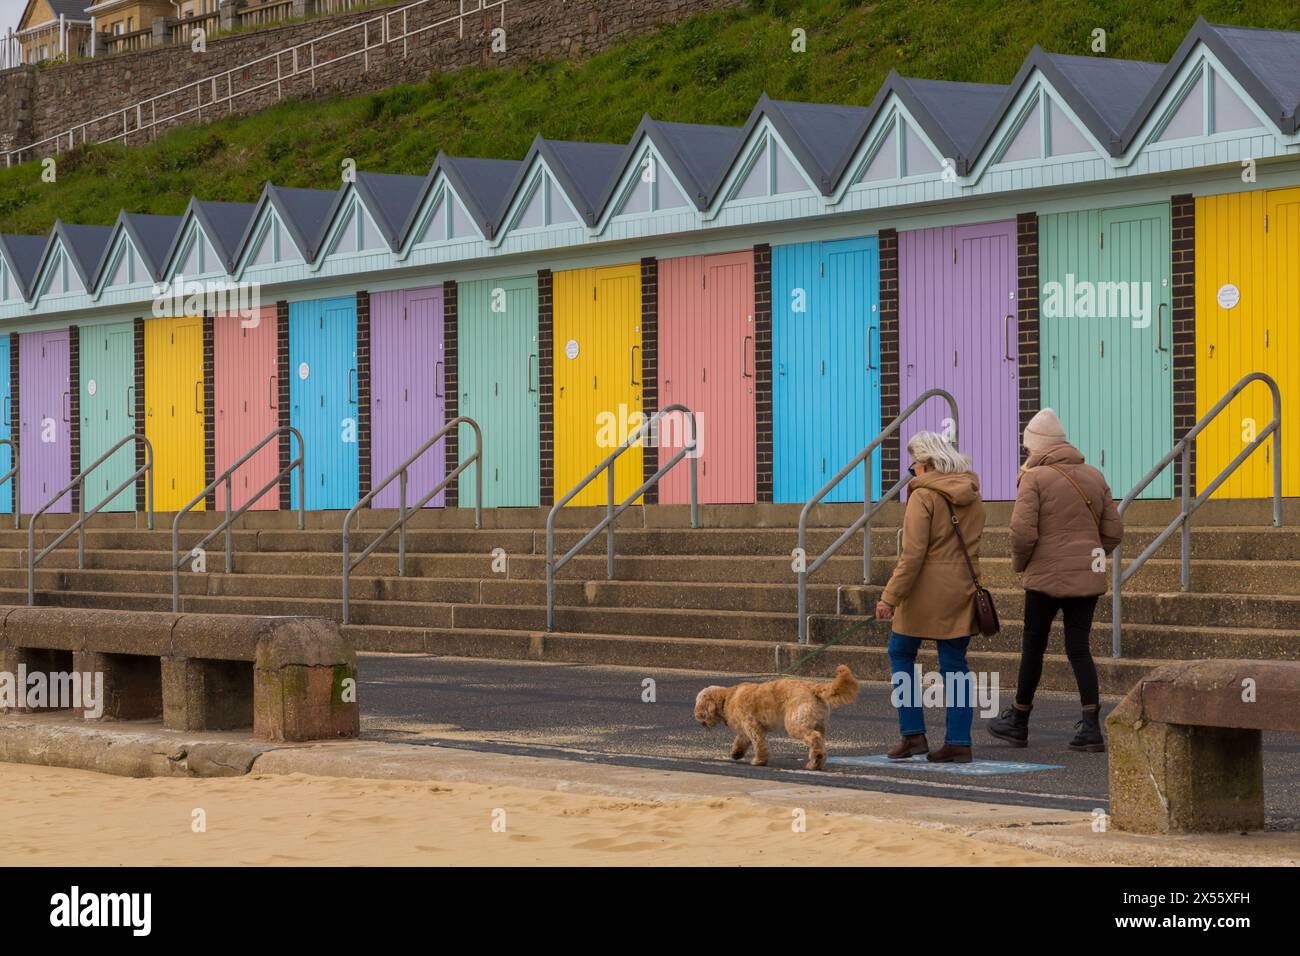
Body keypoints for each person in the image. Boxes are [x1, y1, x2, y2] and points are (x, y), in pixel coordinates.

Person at [988, 408, 1123, 752]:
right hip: (1086, 578)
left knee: (1034, 646)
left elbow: (1022, 534)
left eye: (1028, 447)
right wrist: (1088, 555)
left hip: (1044, 579)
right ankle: (1091, 725)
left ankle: (1019, 720)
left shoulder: (1034, 478)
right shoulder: (1094, 475)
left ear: (1037, 446)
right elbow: (1113, 532)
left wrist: (1022, 565)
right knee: (1079, 648)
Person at [876, 431, 986, 763]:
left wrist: (889, 597)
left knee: (901, 653)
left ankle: (913, 735)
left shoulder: (922, 497)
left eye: (914, 466)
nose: (913, 472)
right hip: (962, 586)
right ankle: (958, 741)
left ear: (925, 463)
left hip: (924, 590)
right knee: (954, 665)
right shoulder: (971, 492)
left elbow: (912, 555)